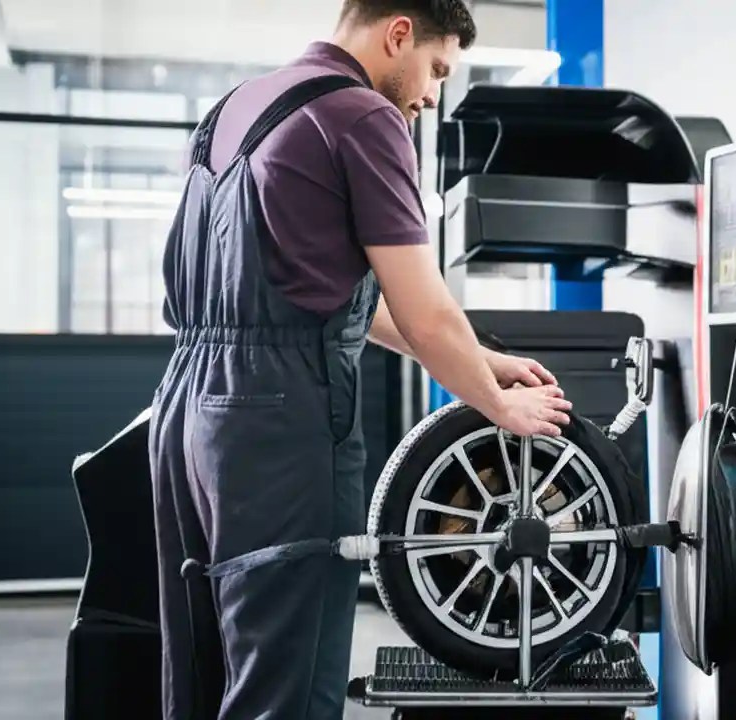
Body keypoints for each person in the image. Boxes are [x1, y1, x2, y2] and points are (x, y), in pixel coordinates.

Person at [148, 2, 573, 718]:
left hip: (188, 410)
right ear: (398, 32)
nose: (433, 93)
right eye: (437, 69)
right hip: (281, 417)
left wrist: (478, 360)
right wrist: (499, 405)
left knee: (205, 665)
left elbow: (332, 300)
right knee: (289, 677)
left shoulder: (234, 108)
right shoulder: (364, 116)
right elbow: (425, 308)